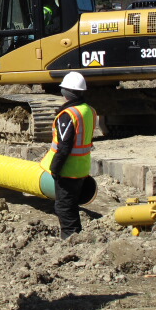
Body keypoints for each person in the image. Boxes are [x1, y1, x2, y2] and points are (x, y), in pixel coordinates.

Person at [39, 71, 97, 239]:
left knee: (64, 207)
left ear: (65, 92)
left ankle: (70, 239)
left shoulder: (68, 115)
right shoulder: (88, 110)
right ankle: (76, 236)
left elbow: (64, 146)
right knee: (70, 205)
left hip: (68, 169)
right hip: (82, 167)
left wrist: (55, 168)